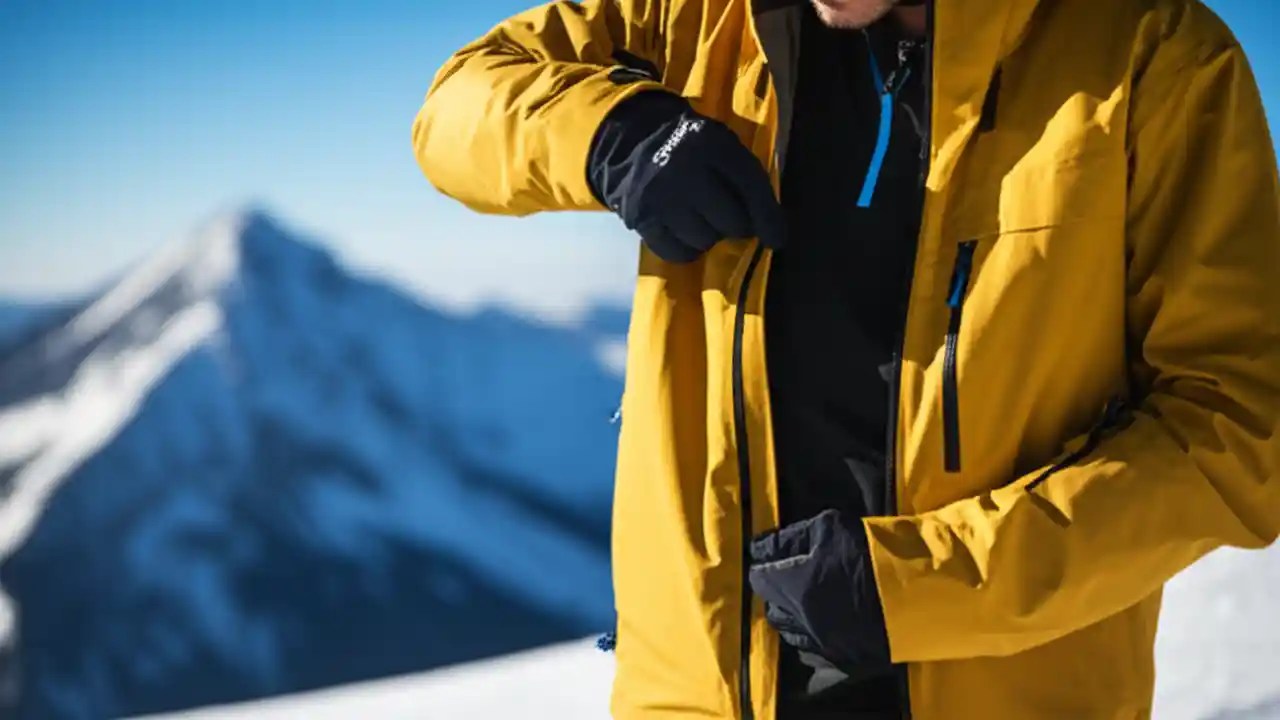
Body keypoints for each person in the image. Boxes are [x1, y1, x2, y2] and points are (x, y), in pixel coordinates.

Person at [412, 0, 1280, 717]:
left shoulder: (1153, 55)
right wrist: (610, 133)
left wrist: (920, 587)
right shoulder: (695, 20)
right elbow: (455, 107)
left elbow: (1239, 430)